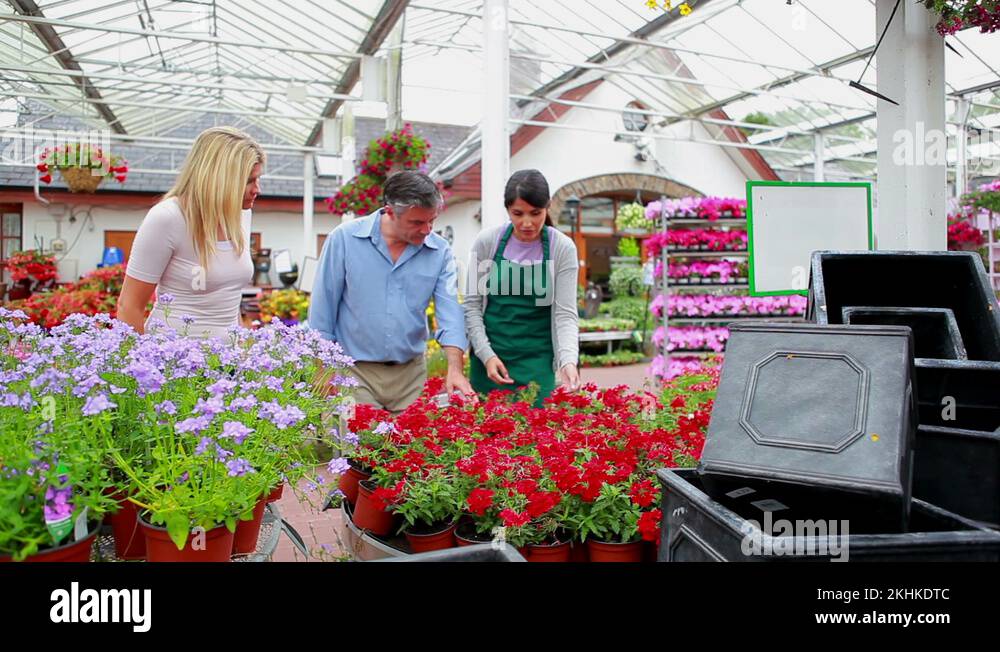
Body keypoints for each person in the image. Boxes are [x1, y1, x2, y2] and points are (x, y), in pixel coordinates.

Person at [309, 171, 473, 413]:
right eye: (417, 222)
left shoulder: (440, 252)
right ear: (389, 212)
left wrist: (455, 369)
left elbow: (450, 313)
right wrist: (321, 370)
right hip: (353, 371)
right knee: (358, 448)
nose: (427, 229)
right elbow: (322, 310)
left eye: (432, 221)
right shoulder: (344, 240)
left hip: (411, 375)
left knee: (411, 448)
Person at [117, 126, 263, 338]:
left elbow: (228, 302)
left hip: (226, 363)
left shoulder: (240, 215)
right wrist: (144, 366)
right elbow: (129, 307)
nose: (257, 189)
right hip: (173, 363)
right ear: (218, 178)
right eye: (249, 181)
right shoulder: (168, 218)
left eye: (257, 179)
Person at [465, 169, 580, 405]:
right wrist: (486, 355)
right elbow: (472, 306)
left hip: (537, 363)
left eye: (535, 213)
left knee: (538, 434)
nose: (526, 223)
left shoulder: (562, 248)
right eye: (517, 213)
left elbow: (565, 314)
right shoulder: (487, 242)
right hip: (490, 364)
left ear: (547, 207)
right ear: (507, 209)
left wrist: (568, 360)